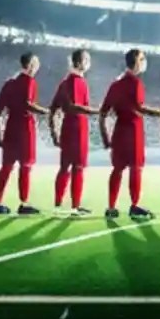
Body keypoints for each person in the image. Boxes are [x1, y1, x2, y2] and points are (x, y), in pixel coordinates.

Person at [100, 48, 160, 220]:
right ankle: (134, 205)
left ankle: (111, 206)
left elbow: (103, 112)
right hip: (133, 130)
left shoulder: (115, 84)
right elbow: (139, 108)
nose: (144, 62)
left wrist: (105, 136)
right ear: (136, 63)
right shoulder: (136, 84)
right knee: (135, 169)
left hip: (119, 130)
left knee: (117, 169)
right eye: (142, 59)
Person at [0, 52, 49, 215]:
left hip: (10, 127)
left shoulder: (9, 83)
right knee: (25, 167)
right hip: (24, 128)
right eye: (36, 63)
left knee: (6, 167)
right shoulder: (30, 81)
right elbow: (28, 104)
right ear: (30, 64)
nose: (38, 66)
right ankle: (24, 203)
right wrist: (46, 111)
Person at [49, 49, 100, 216]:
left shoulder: (64, 82)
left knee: (64, 167)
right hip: (77, 128)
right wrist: (94, 111)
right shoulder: (77, 82)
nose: (89, 63)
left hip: (67, 127)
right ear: (78, 62)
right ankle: (75, 206)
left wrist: (54, 132)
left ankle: (58, 203)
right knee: (78, 167)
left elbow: (53, 108)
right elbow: (73, 106)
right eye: (86, 59)